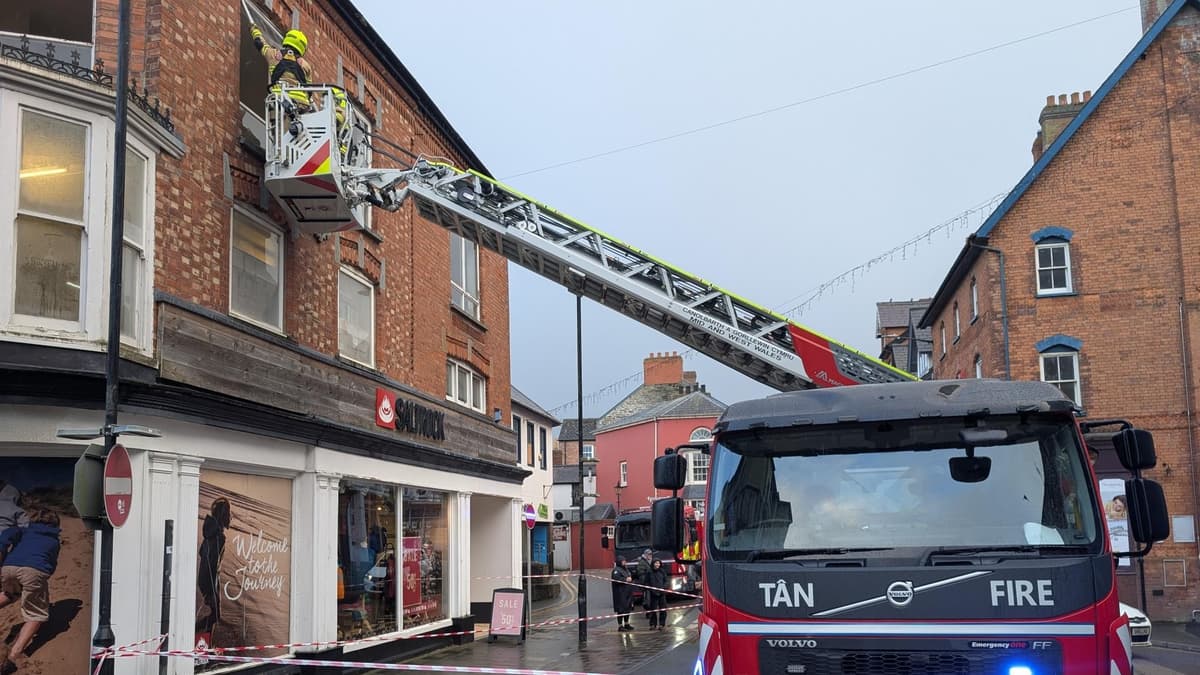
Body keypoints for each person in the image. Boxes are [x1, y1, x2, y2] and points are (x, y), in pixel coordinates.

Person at [0, 509, 62, 675]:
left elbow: (6, 535)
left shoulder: (24, 531)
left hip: (8, 567)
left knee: (10, 594)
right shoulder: (54, 541)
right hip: (34, 570)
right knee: (36, 615)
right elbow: (52, 564)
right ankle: (13, 656)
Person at [196, 498, 232, 641]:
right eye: (228, 514)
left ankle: (204, 640)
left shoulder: (209, 532)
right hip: (210, 580)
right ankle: (204, 642)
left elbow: (202, 553)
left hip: (205, 578)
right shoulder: (219, 537)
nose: (230, 517)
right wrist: (212, 589)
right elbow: (213, 563)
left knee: (213, 613)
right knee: (215, 614)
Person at [609, 556, 633, 631]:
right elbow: (616, 579)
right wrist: (625, 579)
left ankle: (626, 623)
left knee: (627, 609)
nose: (624, 562)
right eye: (623, 561)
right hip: (620, 593)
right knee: (621, 610)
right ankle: (620, 625)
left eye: (625, 561)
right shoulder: (616, 570)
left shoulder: (626, 569)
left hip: (628, 592)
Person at [645, 558, 668, 631]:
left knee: (663, 609)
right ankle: (652, 624)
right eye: (656, 563)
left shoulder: (662, 571)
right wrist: (651, 589)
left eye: (658, 563)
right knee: (653, 610)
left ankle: (662, 624)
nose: (657, 564)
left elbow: (666, 581)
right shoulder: (649, 572)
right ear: (653, 564)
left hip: (661, 593)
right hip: (653, 594)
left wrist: (663, 588)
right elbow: (646, 582)